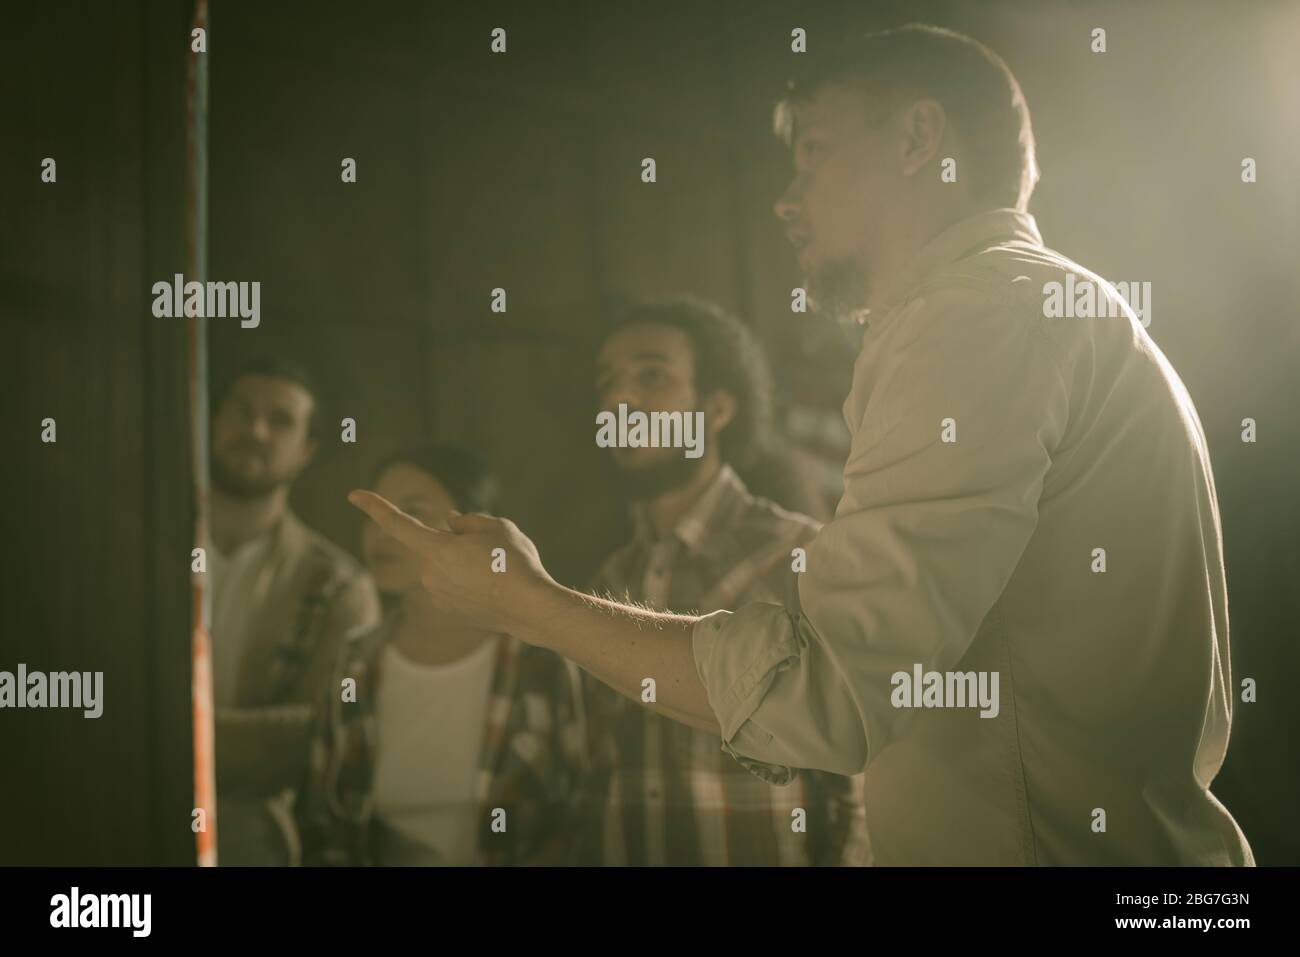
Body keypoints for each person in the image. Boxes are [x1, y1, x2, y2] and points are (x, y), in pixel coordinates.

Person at [348, 24, 1253, 865]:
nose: (784, 200)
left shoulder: (976, 314)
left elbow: (827, 689)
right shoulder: (1047, 308)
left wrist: (528, 603)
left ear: (917, 139)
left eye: (813, 151)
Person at [578, 297, 869, 866]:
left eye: (652, 376)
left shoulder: (800, 555)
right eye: (607, 381)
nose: (619, 399)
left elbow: (858, 778)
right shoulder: (609, 579)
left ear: (717, 407)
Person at [294, 446, 587, 866]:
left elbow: (574, 817)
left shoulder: (540, 661)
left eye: (411, 512)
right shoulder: (356, 664)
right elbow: (321, 821)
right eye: (374, 515)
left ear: (470, 527)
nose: (383, 532)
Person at [207, 358, 380, 865]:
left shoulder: (339, 585)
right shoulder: (139, 556)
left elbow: (322, 732)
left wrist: (166, 736)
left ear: (306, 450)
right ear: (212, 422)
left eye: (280, 420)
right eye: (241, 412)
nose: (255, 430)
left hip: (254, 842)